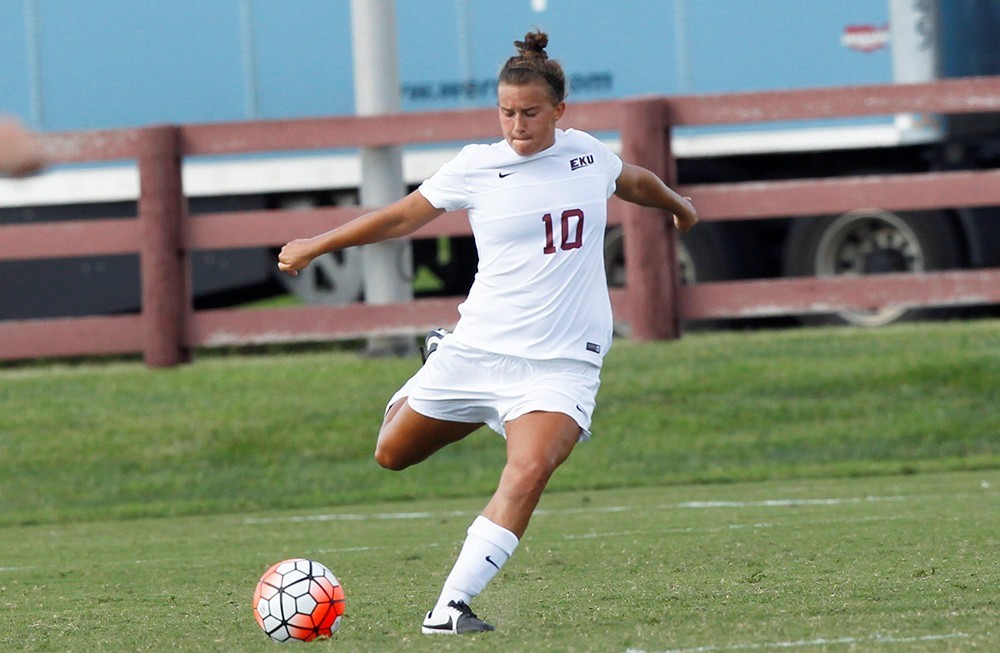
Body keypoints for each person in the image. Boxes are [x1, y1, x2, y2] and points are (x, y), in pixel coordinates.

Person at [278, 30, 698, 635]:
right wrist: (319, 243)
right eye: (506, 112)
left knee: (528, 471)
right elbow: (401, 216)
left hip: (560, 365)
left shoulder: (586, 154)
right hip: (478, 349)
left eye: (530, 113)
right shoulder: (476, 167)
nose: (517, 125)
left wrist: (678, 204)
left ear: (559, 111)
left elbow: (633, 180)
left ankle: (449, 605)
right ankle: (437, 359)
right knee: (391, 454)